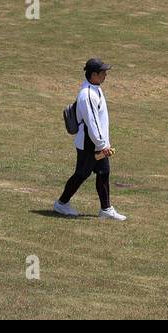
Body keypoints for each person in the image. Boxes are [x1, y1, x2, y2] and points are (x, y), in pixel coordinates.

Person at [54, 59, 125, 221]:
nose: (105, 75)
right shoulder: (88, 95)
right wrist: (102, 145)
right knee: (81, 174)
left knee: (103, 172)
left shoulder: (94, 89)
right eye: (103, 72)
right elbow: (92, 123)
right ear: (94, 75)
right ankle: (61, 203)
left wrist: (104, 143)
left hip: (96, 142)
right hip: (89, 144)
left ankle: (106, 208)